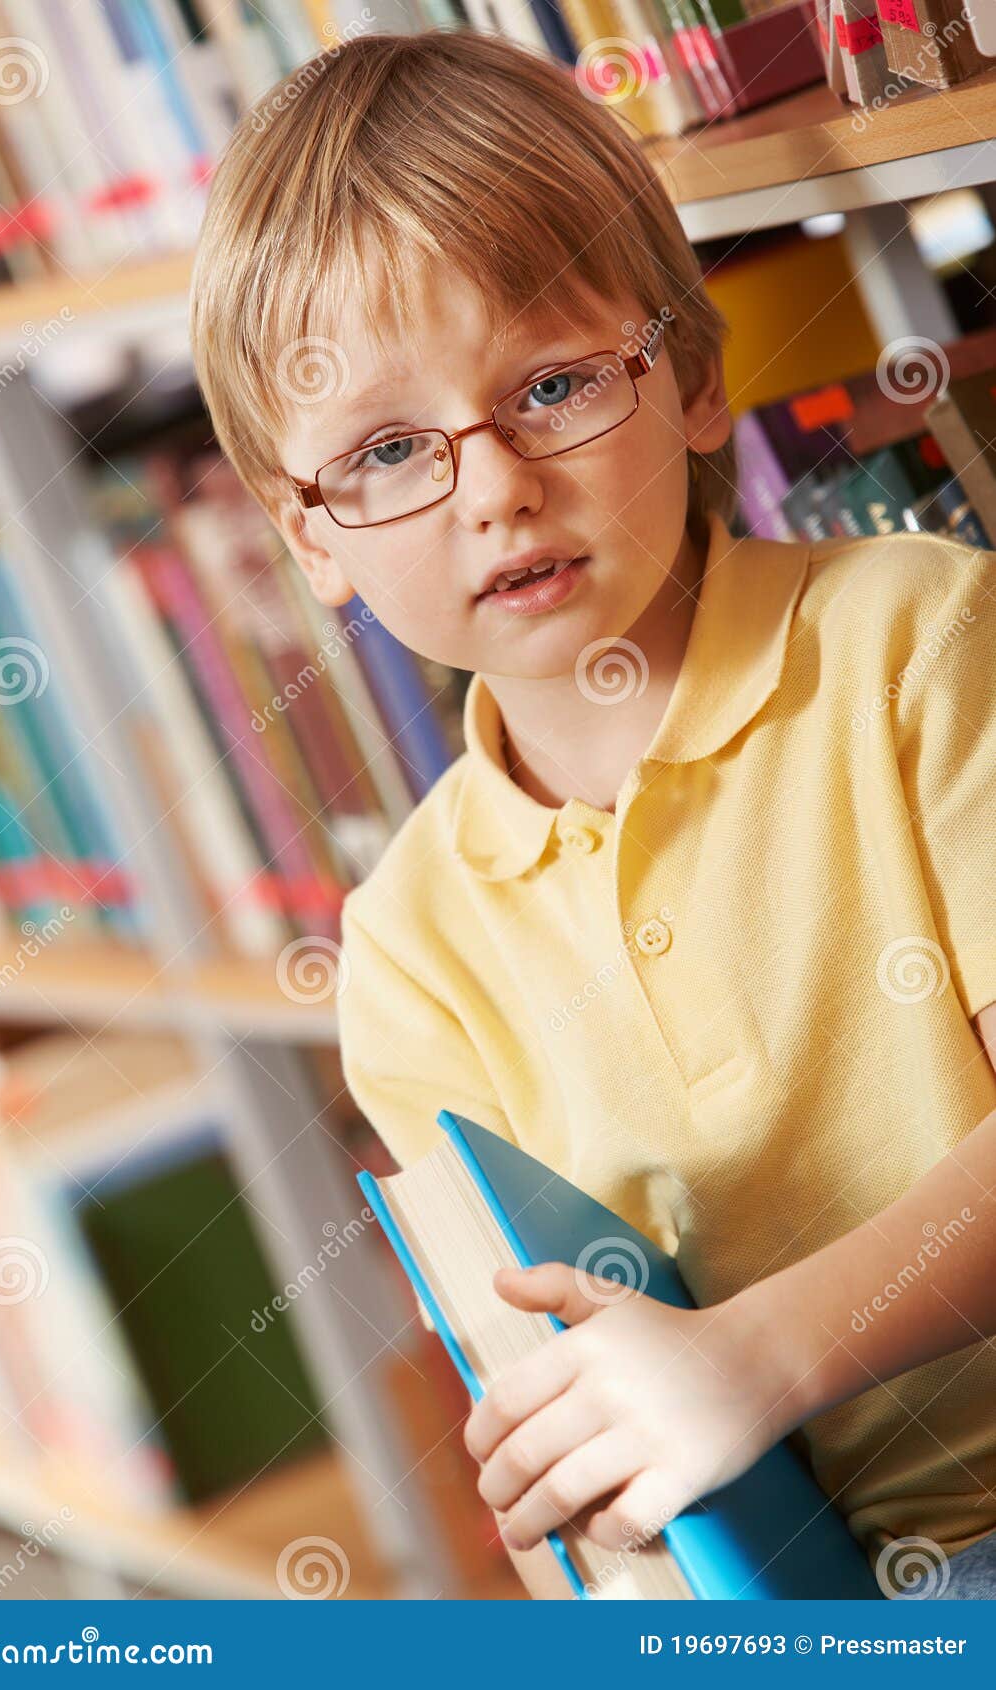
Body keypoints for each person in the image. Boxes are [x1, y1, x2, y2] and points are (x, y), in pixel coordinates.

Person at [189, 28, 996, 1600]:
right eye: (388, 451)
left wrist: (751, 1358)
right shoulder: (408, 948)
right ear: (314, 539)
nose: (492, 488)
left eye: (551, 384)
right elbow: (572, 1423)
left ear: (691, 378)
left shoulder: (920, 643)